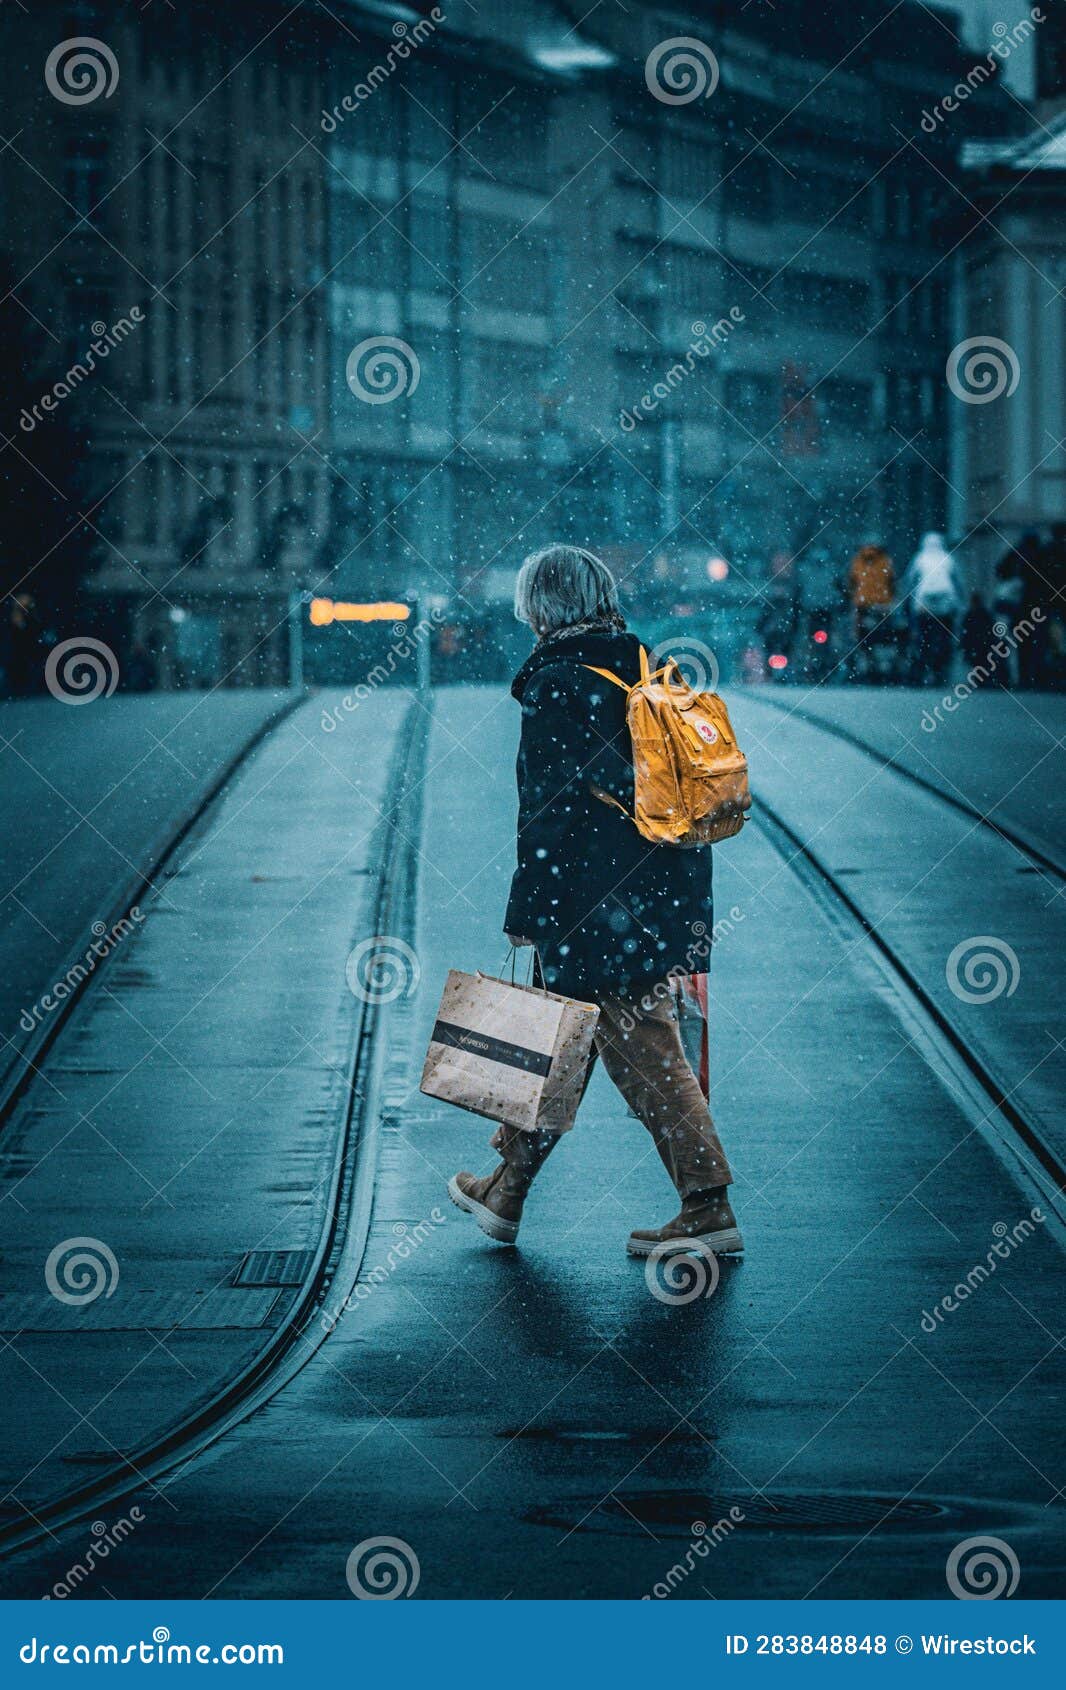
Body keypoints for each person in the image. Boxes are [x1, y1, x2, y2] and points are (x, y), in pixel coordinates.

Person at [449, 545, 740, 1259]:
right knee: (553, 1042)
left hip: (593, 898)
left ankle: (707, 1203)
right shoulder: (642, 666)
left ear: (542, 607)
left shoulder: (560, 682)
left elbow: (548, 811)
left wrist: (531, 912)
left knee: (643, 1050)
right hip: (654, 888)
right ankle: (506, 1190)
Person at [901, 531, 961, 685]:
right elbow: (957, 582)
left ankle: (921, 671)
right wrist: (960, 603)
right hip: (945, 605)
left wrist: (906, 603)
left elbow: (909, 581)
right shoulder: (948, 558)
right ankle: (940, 670)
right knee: (944, 637)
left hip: (923, 605)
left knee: (922, 639)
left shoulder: (920, 558)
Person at [847, 541, 894, 682]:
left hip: (863, 606)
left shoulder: (858, 561)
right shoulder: (886, 561)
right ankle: (883, 668)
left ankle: (865, 665)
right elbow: (892, 582)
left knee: (862, 638)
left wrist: (853, 597)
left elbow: (851, 583)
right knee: (882, 638)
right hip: (882, 606)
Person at [960, 590, 996, 683]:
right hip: (980, 643)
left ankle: (980, 680)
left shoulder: (971, 614)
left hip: (976, 643)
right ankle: (982, 680)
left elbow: (965, 630)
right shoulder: (983, 613)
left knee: (978, 662)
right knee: (981, 662)